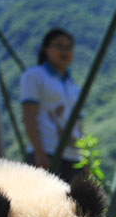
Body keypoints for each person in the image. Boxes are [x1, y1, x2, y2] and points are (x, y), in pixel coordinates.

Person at [20, 28, 85, 182]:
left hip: (74, 155)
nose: (64, 51)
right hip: (48, 152)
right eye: (59, 46)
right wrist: (38, 152)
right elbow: (29, 115)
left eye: (68, 47)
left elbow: (79, 125)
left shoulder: (73, 86)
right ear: (46, 49)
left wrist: (85, 158)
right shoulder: (34, 76)